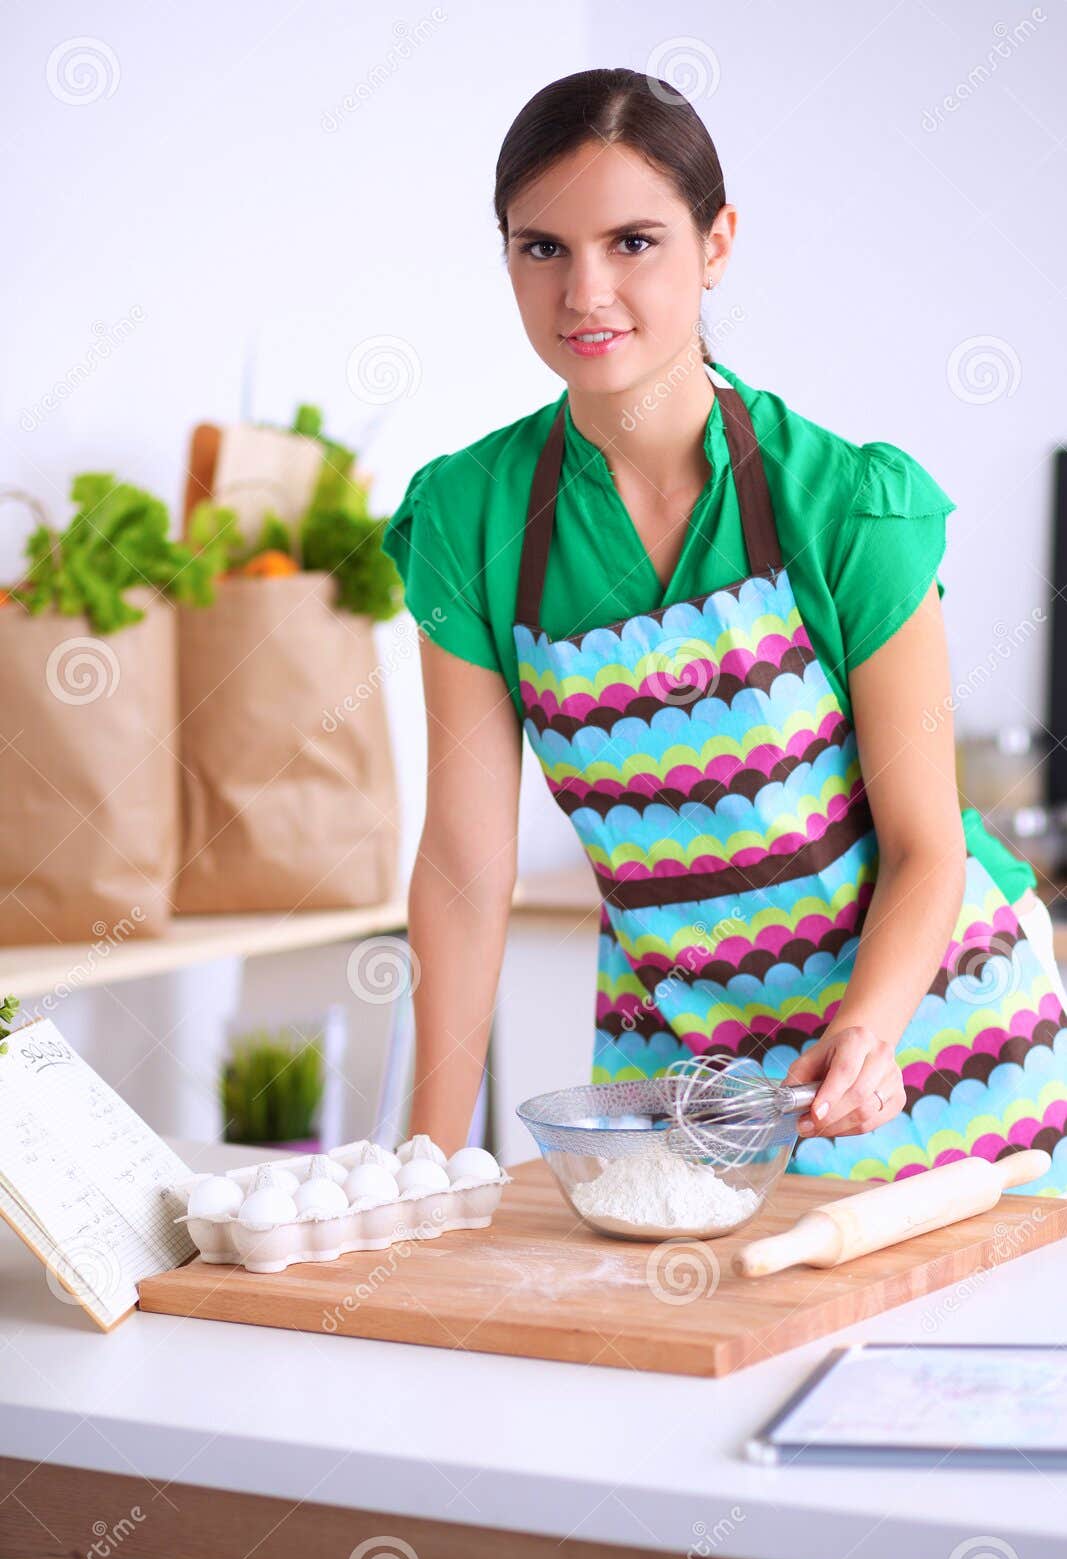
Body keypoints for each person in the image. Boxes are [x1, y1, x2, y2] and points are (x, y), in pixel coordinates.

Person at [382, 67, 1067, 1196]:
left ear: (715, 244)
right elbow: (463, 866)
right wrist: (428, 1164)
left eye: (633, 242)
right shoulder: (469, 518)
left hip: (936, 1040)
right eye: (542, 247)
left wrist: (864, 1034)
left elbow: (924, 845)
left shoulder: (844, 506)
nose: (585, 292)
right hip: (685, 1068)